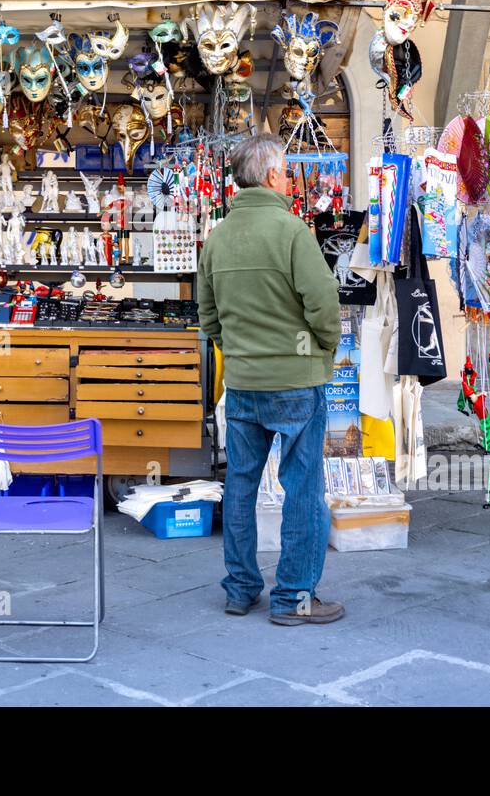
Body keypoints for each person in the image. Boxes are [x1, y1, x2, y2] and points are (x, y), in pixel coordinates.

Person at [198, 134, 344, 624]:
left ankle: (240, 590)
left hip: (243, 383)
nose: (287, 178)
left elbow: (208, 315)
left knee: (240, 485)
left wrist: (238, 353)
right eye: (284, 171)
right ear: (273, 176)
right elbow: (323, 303)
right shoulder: (291, 230)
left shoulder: (217, 236)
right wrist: (324, 348)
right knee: (302, 489)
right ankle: (293, 597)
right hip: (296, 380)